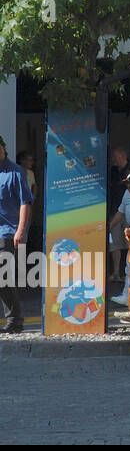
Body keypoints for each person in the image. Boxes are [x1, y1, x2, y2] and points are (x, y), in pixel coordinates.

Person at [0, 135, 35, 334]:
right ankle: (14, 319)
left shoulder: (15, 172)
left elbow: (25, 202)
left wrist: (20, 229)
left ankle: (15, 320)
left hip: (7, 231)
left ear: (3, 148)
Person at [109, 170, 130, 304]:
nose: (129, 190)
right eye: (128, 187)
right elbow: (121, 212)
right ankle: (128, 296)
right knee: (129, 265)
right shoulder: (128, 194)